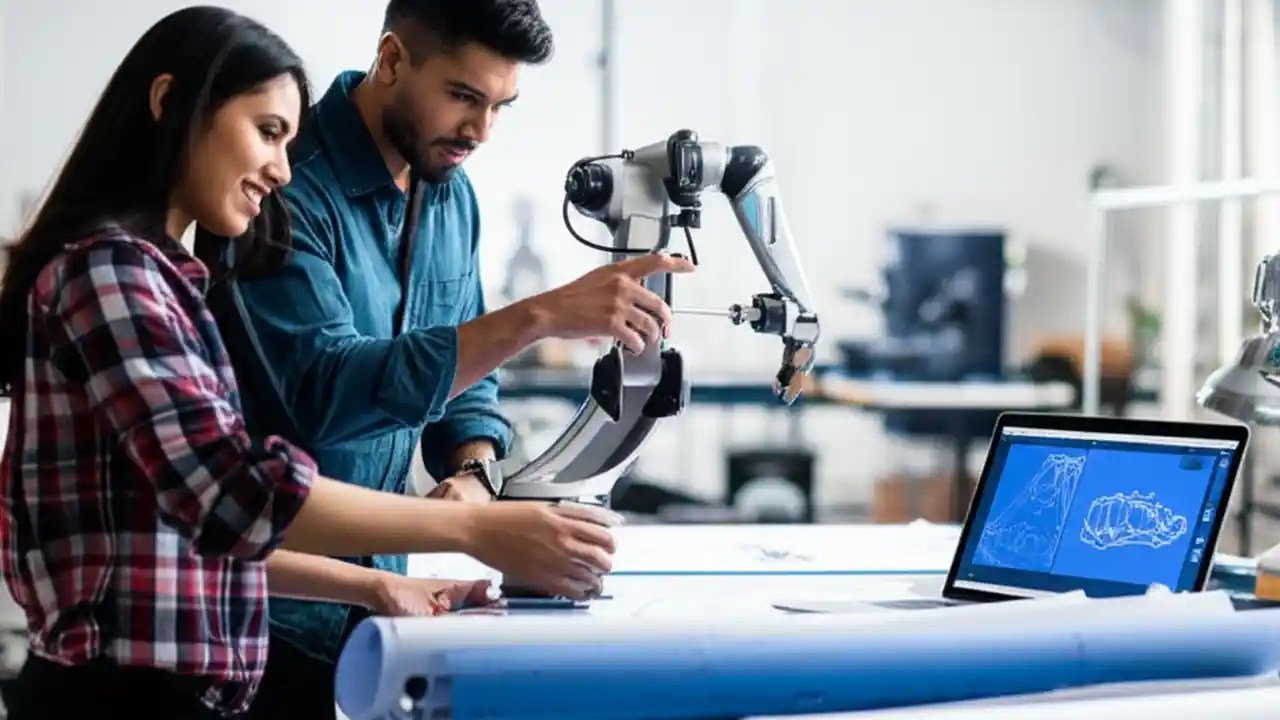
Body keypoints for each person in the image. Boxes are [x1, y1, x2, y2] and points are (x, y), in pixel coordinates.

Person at [0, 6, 618, 718]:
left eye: (287, 140)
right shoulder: (113, 276)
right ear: (171, 103)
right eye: (266, 133)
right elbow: (237, 494)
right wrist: (474, 529)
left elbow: (188, 529)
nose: (280, 170)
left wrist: (379, 584)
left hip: (192, 676)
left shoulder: (166, 283)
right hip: (126, 694)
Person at [195, 0, 694, 716]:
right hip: (263, 616)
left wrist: (470, 471)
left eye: (501, 106)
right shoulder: (284, 185)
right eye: (463, 96)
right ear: (393, 59)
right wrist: (541, 315)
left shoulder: (452, 196)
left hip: (385, 606)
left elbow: (470, 386)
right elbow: (327, 392)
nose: (481, 130)